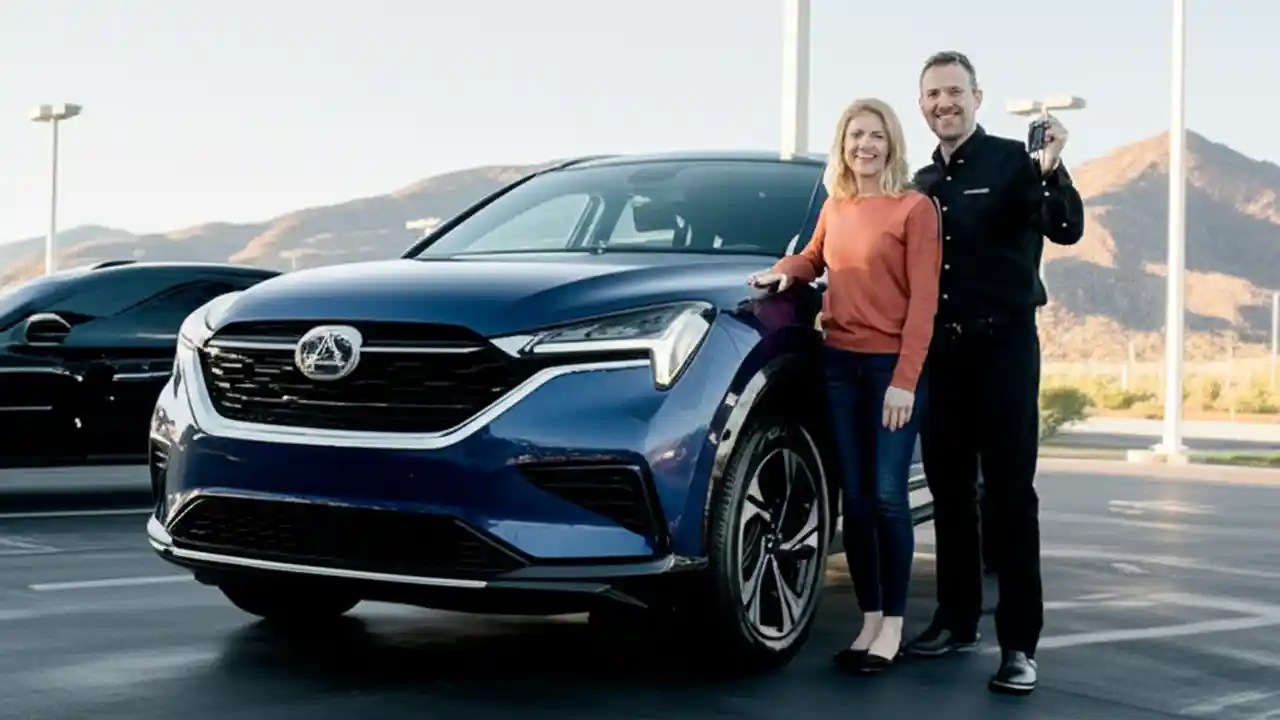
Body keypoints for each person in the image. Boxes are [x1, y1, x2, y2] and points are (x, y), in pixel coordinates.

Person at [902, 51, 1084, 695]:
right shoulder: (920, 182)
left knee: (1009, 497)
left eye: (954, 91)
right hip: (941, 355)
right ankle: (955, 621)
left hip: (1004, 348)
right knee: (950, 493)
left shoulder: (1015, 161)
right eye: (932, 94)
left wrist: (1052, 168)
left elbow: (1066, 228)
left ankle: (1019, 645)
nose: (943, 102)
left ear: (976, 97)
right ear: (921, 104)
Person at [749, 97, 942, 674]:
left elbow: (926, 301)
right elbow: (813, 258)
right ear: (844, 143)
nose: (866, 144)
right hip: (840, 368)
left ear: (891, 143)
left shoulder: (915, 208)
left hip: (891, 373)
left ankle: (895, 628)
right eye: (856, 134)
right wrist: (783, 273)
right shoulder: (837, 206)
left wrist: (905, 381)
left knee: (887, 497)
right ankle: (869, 621)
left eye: (876, 135)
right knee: (854, 502)